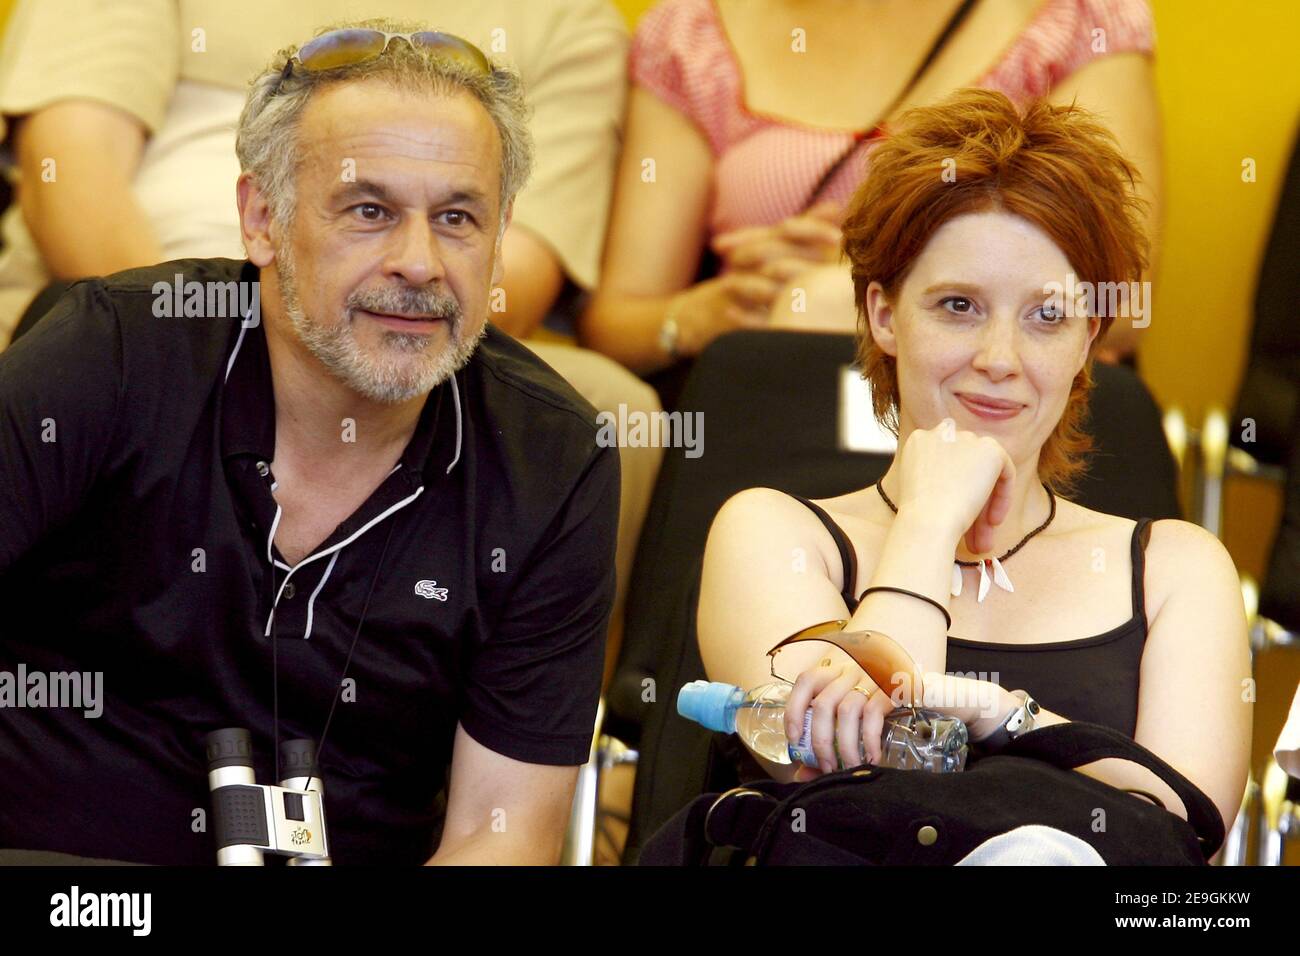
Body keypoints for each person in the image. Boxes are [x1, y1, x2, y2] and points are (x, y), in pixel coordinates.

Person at [0, 26, 618, 865]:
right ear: (262, 219)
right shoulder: (111, 354)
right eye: (370, 211)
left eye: (458, 218)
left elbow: (499, 836)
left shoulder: (553, 460)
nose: (419, 263)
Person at [696, 90, 1251, 846]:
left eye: (1047, 316)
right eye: (958, 305)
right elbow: (850, 778)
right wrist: (927, 521)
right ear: (885, 315)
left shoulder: (1178, 569)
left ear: (1089, 337)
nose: (999, 360)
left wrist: (1011, 718)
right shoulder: (772, 532)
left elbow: (1188, 831)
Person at [581, 0, 1161, 376]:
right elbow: (618, 321)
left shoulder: (1076, 16)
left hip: (995, 402)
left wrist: (870, 275)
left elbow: (1123, 298)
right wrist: (699, 314)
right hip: (773, 394)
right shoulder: (690, 31)